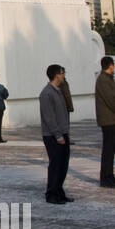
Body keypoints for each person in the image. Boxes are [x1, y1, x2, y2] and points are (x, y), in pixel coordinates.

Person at [40, 64, 73, 205]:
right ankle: (51, 194)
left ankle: (59, 192)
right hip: (52, 135)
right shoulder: (46, 93)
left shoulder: (59, 90)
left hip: (62, 133)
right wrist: (58, 135)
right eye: (62, 73)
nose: (64, 75)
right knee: (55, 165)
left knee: (63, 165)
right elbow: (49, 117)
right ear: (56, 75)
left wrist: (65, 133)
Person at [95, 55, 115, 188]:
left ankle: (109, 175)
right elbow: (111, 100)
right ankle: (105, 178)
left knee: (111, 149)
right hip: (108, 120)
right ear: (110, 65)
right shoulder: (103, 80)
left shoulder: (108, 79)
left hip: (111, 119)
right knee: (108, 150)